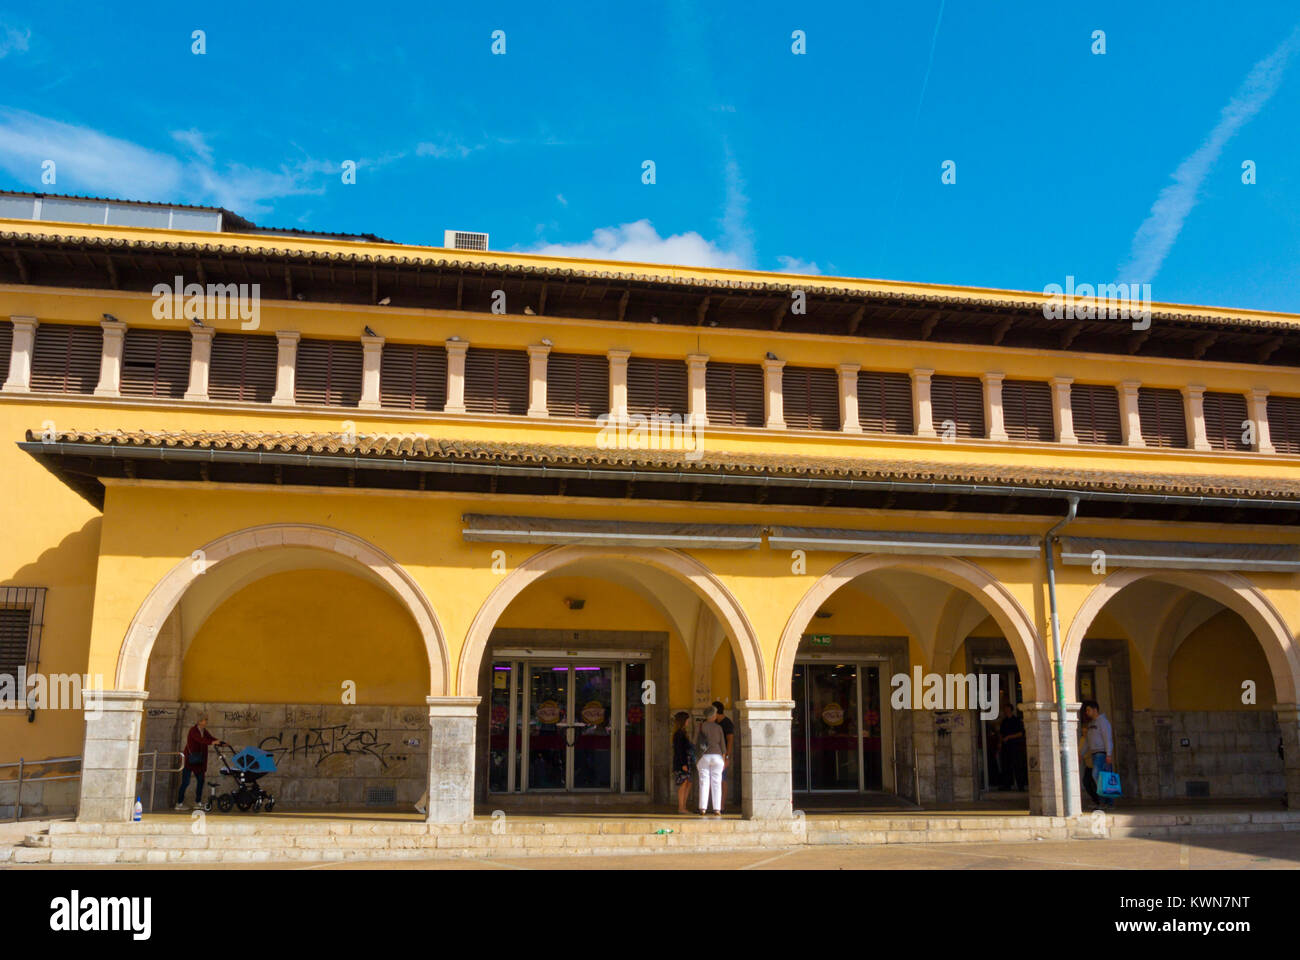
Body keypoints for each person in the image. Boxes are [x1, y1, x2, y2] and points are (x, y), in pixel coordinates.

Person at [175, 714, 225, 810]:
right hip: (190, 760)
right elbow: (201, 740)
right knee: (185, 782)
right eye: (204, 720)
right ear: (199, 721)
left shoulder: (203, 731)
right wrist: (212, 742)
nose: (206, 722)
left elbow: (210, 738)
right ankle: (179, 803)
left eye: (206, 720)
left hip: (199, 761)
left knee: (201, 781)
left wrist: (221, 743)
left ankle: (197, 802)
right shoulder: (193, 731)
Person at [1080, 699, 1115, 810]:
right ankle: (1104, 802)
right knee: (1102, 778)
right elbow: (1087, 741)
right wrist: (1081, 753)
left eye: (1088, 710)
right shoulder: (1091, 724)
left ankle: (1106, 802)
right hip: (1095, 754)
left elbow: (1107, 738)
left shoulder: (1103, 722)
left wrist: (1108, 754)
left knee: (1098, 776)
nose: (1087, 713)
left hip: (1101, 753)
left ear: (1095, 710)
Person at [695, 706, 727, 816]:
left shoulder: (701, 727)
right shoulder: (719, 728)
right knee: (717, 782)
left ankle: (703, 808)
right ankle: (717, 809)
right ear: (713, 716)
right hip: (717, 756)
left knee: (704, 782)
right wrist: (724, 758)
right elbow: (723, 745)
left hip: (704, 756)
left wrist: (697, 757)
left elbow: (696, 742)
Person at [712, 700, 735, 812]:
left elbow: (730, 740)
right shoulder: (715, 723)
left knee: (722, 780)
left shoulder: (727, 723)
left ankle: (721, 805)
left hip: (722, 755)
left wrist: (727, 757)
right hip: (715, 755)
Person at [998, 704, 1027, 791]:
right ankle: (1007, 786)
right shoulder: (1004, 721)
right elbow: (1001, 733)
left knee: (1018, 766)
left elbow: (1021, 733)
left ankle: (1020, 786)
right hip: (1006, 747)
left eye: (1007, 709)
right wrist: (999, 742)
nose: (1006, 711)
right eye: (1005, 709)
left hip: (1016, 747)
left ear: (1011, 710)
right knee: (1006, 767)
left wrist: (1009, 737)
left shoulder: (1017, 720)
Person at [672, 711, 694, 814]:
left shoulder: (682, 733)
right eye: (687, 719)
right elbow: (679, 750)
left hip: (686, 762)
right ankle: (681, 807)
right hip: (682, 763)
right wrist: (683, 764)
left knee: (688, 783)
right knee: (683, 783)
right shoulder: (679, 734)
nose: (688, 721)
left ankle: (683, 806)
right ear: (683, 721)